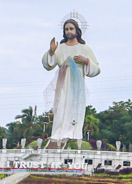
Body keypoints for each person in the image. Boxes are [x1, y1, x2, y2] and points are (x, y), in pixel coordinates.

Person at [42, 15, 100, 143]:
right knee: (61, 105)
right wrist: (51, 52)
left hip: (76, 83)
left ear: (77, 31)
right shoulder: (60, 48)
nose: (69, 31)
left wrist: (86, 61)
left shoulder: (85, 48)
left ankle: (73, 133)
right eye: (66, 29)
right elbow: (48, 65)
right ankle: (57, 134)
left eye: (71, 29)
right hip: (62, 81)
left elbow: (97, 68)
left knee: (75, 106)